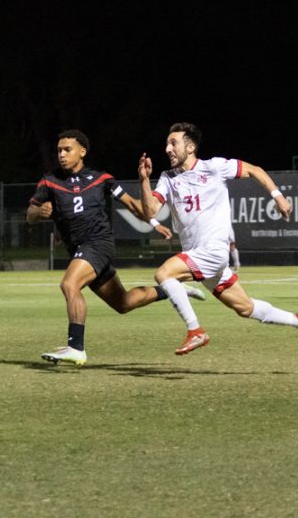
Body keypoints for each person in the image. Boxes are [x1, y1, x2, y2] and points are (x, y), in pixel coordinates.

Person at [138, 122, 298, 355]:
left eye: (173, 142)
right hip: (198, 255)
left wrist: (278, 196)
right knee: (246, 308)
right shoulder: (167, 178)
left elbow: (255, 170)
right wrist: (144, 180)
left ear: (190, 147)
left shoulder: (214, 167)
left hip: (212, 251)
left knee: (164, 274)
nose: (167, 148)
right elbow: (150, 211)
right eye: (167, 143)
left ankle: (195, 330)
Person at [28, 129, 205, 366]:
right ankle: (175, 290)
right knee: (123, 303)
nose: (61, 154)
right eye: (59, 150)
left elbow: (133, 206)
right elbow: (29, 214)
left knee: (69, 284)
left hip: (97, 244)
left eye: (67, 149)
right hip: (79, 250)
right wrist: (38, 213)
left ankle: (76, 347)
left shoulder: (102, 179)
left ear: (82, 152)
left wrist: (152, 219)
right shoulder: (49, 181)